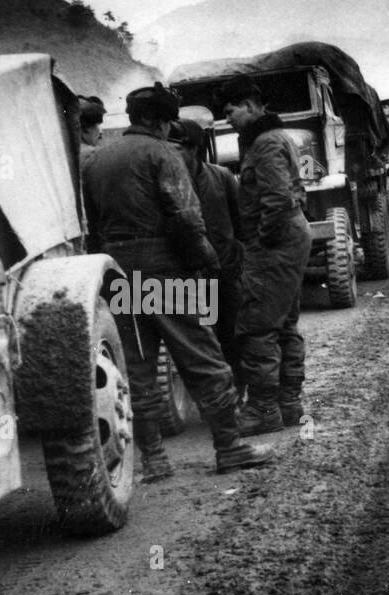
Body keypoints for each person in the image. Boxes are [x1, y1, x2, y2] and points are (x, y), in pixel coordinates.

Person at [82, 84, 273, 480]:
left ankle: (154, 460)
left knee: (137, 367)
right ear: (158, 120)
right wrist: (206, 262)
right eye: (168, 121)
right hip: (166, 269)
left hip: (119, 273)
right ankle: (230, 446)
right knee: (203, 356)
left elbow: (93, 227)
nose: (171, 128)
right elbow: (187, 218)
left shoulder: (97, 161)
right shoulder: (163, 154)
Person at [220, 76, 313, 435]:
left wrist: (261, 241)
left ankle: (262, 409)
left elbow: (276, 198)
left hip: (277, 241)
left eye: (231, 111)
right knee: (284, 324)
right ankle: (288, 404)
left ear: (250, 106)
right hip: (289, 236)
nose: (228, 119)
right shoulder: (271, 139)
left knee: (257, 325)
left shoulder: (264, 144)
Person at [171, 118, 246, 395]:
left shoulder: (222, 177)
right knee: (202, 341)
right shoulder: (167, 182)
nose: (171, 154)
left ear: (193, 149)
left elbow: (240, 225)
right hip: (190, 277)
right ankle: (215, 397)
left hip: (225, 273)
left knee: (233, 335)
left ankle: (239, 388)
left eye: (177, 148)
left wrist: (238, 259)